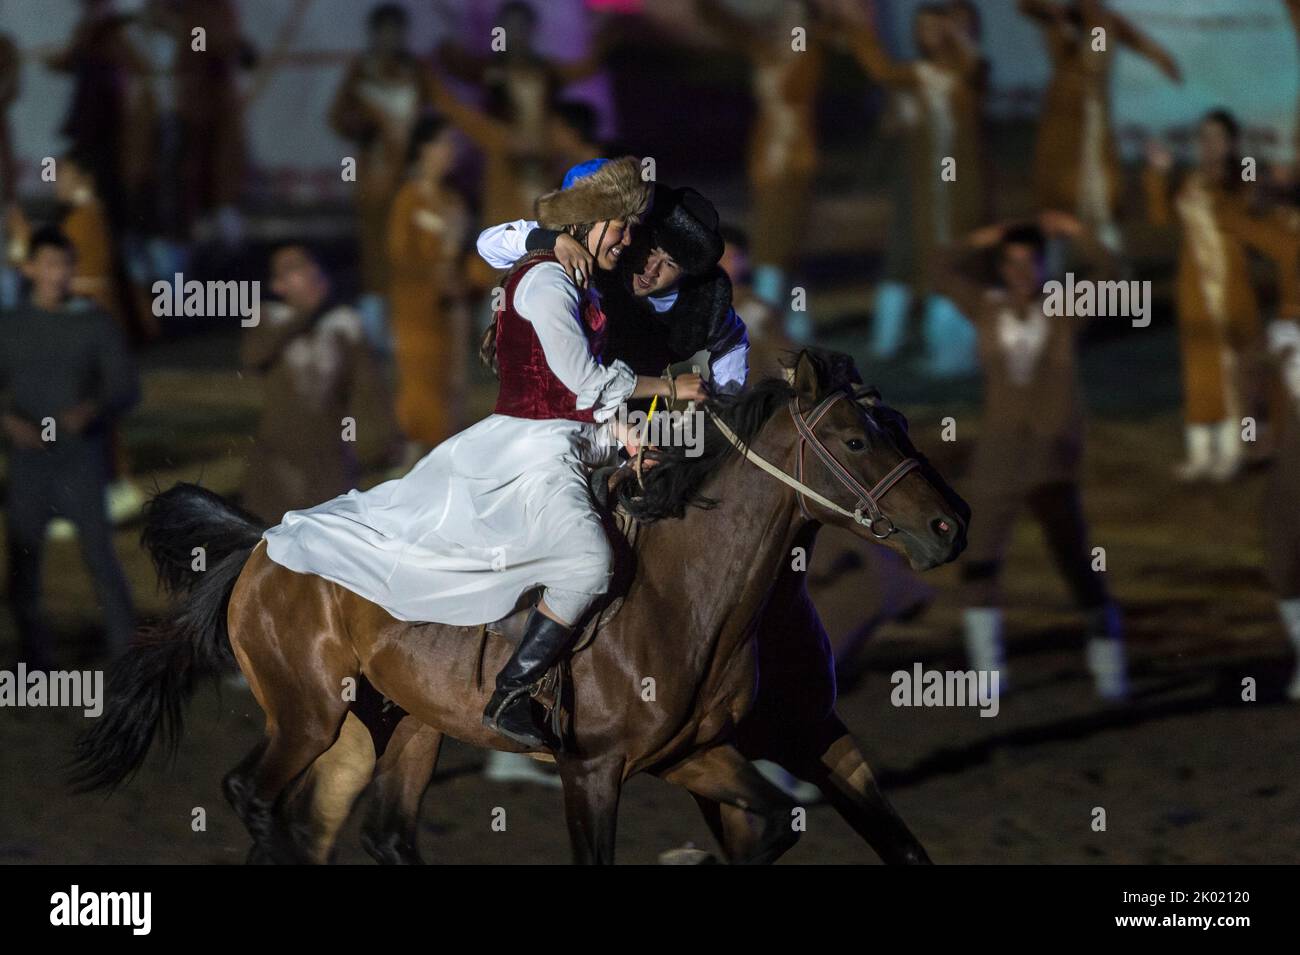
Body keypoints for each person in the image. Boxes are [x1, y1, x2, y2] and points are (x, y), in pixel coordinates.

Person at [262, 158, 706, 749]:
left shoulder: (578, 275)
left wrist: (628, 434)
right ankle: (511, 693)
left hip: (564, 437)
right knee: (588, 564)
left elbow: (581, 400)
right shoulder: (548, 280)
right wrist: (670, 389)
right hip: (531, 448)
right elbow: (581, 382)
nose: (629, 243)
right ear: (587, 221)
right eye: (621, 226)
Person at [935, 213, 1126, 699]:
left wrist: (1077, 231)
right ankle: (988, 673)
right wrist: (984, 235)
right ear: (1001, 267)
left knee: (1074, 557)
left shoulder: (1066, 305)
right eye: (1012, 262)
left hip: (1051, 452)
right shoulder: (987, 306)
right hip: (998, 453)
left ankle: (1108, 663)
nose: (1022, 272)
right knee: (980, 558)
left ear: (1044, 266)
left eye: (1031, 262)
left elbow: (1112, 272)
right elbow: (938, 269)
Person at [0, 226, 138, 668]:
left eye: (65, 266)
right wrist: (8, 424)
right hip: (27, 462)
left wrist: (91, 410)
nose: (57, 275)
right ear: (30, 269)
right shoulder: (11, 325)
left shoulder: (93, 323)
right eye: (48, 265)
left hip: (80, 459)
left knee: (100, 558)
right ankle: (34, 657)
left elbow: (125, 386)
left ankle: (126, 655)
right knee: (25, 564)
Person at [476, 180, 749, 394]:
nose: (650, 270)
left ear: (688, 273)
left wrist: (724, 403)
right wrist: (551, 240)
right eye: (651, 251)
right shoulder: (600, 254)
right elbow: (488, 245)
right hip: (560, 412)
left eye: (671, 264)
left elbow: (733, 344)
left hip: (638, 417)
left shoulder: (703, 307)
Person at [837, 0, 984, 376]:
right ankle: (938, 347)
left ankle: (954, 352)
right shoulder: (920, 76)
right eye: (922, 28)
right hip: (927, 188)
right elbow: (894, 116)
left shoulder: (964, 68)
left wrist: (857, 27)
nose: (927, 35)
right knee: (929, 256)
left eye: (937, 27)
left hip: (956, 188)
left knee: (953, 255)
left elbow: (882, 71)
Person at [1145, 111, 1266, 481]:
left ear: (1231, 142)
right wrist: (1158, 175)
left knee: (1235, 367)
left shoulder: (1242, 176)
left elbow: (1248, 213)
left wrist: (1231, 180)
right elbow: (1160, 217)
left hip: (1231, 284)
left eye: (1217, 136)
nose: (1209, 143)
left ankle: (1235, 450)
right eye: (1204, 136)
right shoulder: (1189, 179)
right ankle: (1200, 453)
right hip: (1195, 287)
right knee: (1200, 369)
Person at [240, 245, 399, 525]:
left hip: (330, 461)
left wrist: (377, 442)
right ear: (277, 285)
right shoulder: (267, 318)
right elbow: (254, 355)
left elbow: (368, 391)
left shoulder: (344, 326)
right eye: (293, 269)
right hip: (278, 461)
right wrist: (305, 314)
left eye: (309, 265)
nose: (308, 273)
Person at [1019, 0, 1181, 252]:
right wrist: (1053, 8)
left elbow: (1140, 42)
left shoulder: (1107, 22)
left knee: (1102, 187)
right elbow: (1024, 6)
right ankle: (1057, 255)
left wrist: (1163, 59)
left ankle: (1107, 257)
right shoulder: (1056, 17)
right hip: (1062, 119)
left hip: (1095, 119)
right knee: (1059, 188)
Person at [330, 3, 433, 309]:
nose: (391, 40)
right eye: (384, 33)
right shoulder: (361, 70)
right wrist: (366, 125)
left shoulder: (415, 71)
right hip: (375, 173)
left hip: (411, 174)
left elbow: (437, 109)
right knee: (376, 247)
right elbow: (337, 117)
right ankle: (375, 318)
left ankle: (410, 313)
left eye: (396, 33)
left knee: (413, 243)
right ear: (374, 35)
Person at [386, 116, 471, 461]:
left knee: (454, 384)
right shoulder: (408, 200)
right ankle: (417, 454)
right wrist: (442, 261)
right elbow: (400, 258)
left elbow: (467, 261)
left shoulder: (454, 202)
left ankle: (446, 456)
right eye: (444, 144)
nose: (451, 152)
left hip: (453, 311)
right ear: (423, 149)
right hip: (418, 313)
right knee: (421, 386)